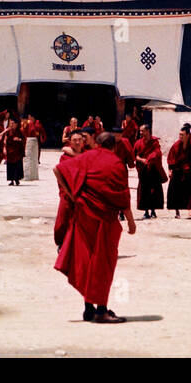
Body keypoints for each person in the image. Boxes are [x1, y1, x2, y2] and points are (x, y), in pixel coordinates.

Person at [54, 132, 136, 323]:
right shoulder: (116, 163)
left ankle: (88, 309)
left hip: (84, 218)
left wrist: (74, 196)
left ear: (97, 144)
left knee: (86, 262)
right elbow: (123, 197)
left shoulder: (86, 157)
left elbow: (58, 170)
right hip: (104, 221)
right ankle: (101, 311)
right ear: (114, 146)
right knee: (103, 265)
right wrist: (131, 223)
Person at [133, 127, 167, 218]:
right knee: (144, 190)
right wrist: (142, 160)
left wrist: (149, 159)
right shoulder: (138, 143)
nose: (141, 132)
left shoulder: (154, 142)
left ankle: (153, 210)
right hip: (143, 170)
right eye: (140, 131)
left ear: (148, 131)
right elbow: (135, 156)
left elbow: (157, 153)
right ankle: (146, 211)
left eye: (142, 131)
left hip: (153, 169)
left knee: (154, 190)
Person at [166, 124, 191, 219]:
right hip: (177, 171)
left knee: (190, 191)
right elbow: (170, 159)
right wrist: (170, 170)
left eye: (182, 135)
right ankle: (177, 211)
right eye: (180, 134)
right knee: (175, 192)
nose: (180, 136)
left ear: (188, 135)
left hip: (188, 171)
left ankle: (190, 211)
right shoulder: (176, 146)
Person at [1, 114, 26, 186]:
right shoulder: (9, 131)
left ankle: (17, 179)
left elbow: (24, 139)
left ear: (16, 124)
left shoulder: (20, 131)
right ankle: (11, 180)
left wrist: (19, 139)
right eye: (10, 123)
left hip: (17, 151)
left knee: (18, 165)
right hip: (10, 151)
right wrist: (4, 148)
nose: (11, 125)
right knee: (10, 166)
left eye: (13, 123)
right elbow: (5, 140)